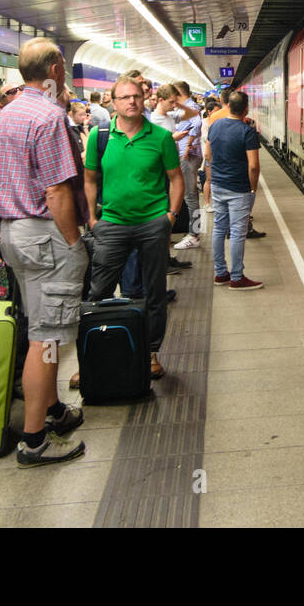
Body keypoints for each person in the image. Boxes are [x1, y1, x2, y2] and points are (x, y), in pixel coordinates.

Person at [0, 38, 88, 467]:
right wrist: (74, 243)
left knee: (39, 325)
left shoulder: (5, 115)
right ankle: (34, 440)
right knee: (45, 340)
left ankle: (51, 410)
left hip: (15, 234)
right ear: (56, 69)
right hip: (47, 236)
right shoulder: (49, 117)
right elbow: (57, 190)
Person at [83, 71, 184, 380]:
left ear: (144, 99)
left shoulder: (161, 137)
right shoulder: (98, 137)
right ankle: (90, 356)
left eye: (137, 96)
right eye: (125, 97)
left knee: (154, 291)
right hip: (112, 224)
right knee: (97, 291)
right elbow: (89, 179)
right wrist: (92, 217)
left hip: (152, 223)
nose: (132, 101)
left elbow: (175, 178)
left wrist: (171, 216)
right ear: (113, 102)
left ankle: (151, 352)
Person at [204, 89, 263, 290]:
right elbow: (253, 166)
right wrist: (253, 188)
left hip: (218, 186)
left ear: (228, 105)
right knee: (238, 233)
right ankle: (237, 277)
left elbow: (208, 155)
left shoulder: (215, 125)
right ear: (246, 109)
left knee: (219, 229)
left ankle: (220, 274)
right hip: (239, 189)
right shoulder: (247, 132)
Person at [172, 82, 204, 251]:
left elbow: (198, 124)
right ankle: (194, 232)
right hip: (187, 155)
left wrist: (188, 145)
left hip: (188, 157)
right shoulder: (187, 107)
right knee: (189, 196)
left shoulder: (189, 107)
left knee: (190, 196)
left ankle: (194, 234)